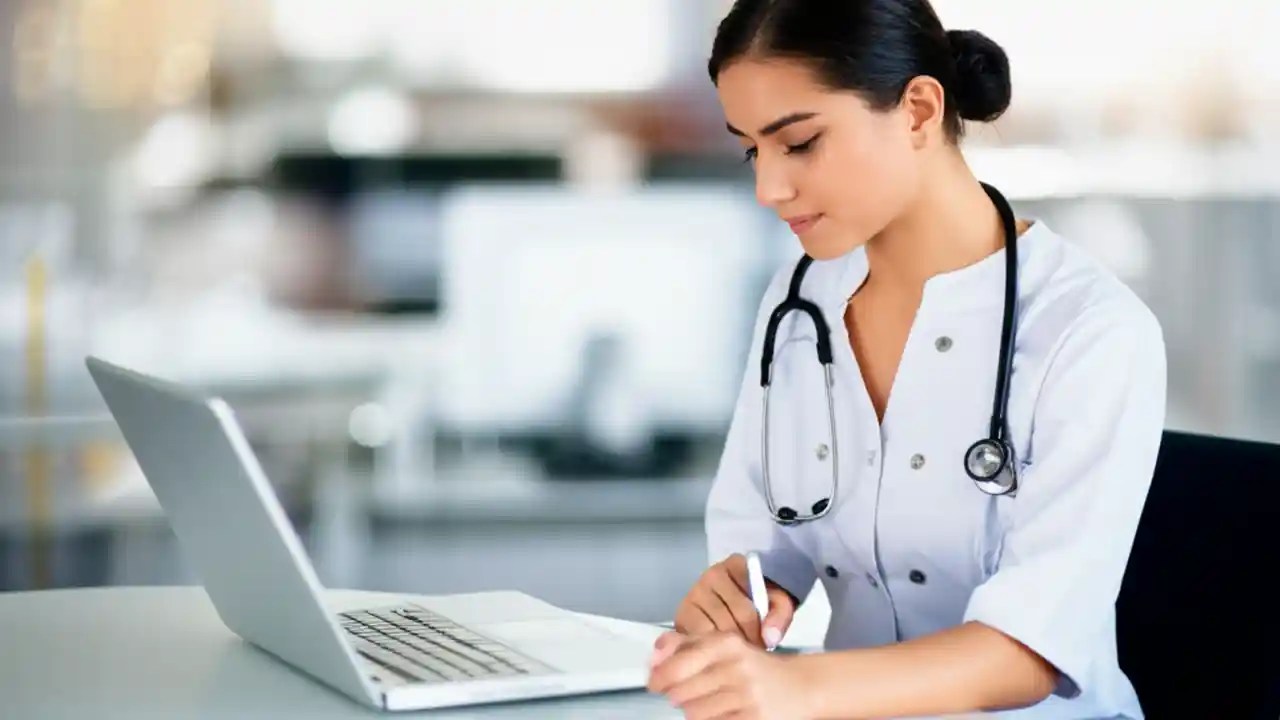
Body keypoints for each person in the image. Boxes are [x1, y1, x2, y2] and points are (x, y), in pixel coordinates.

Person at [645, 1, 1168, 718]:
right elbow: (768, 544)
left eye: (798, 143)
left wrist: (793, 687)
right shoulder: (797, 302)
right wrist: (740, 594)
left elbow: (1030, 650)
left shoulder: (1091, 331)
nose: (769, 188)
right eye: (751, 150)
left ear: (919, 111)